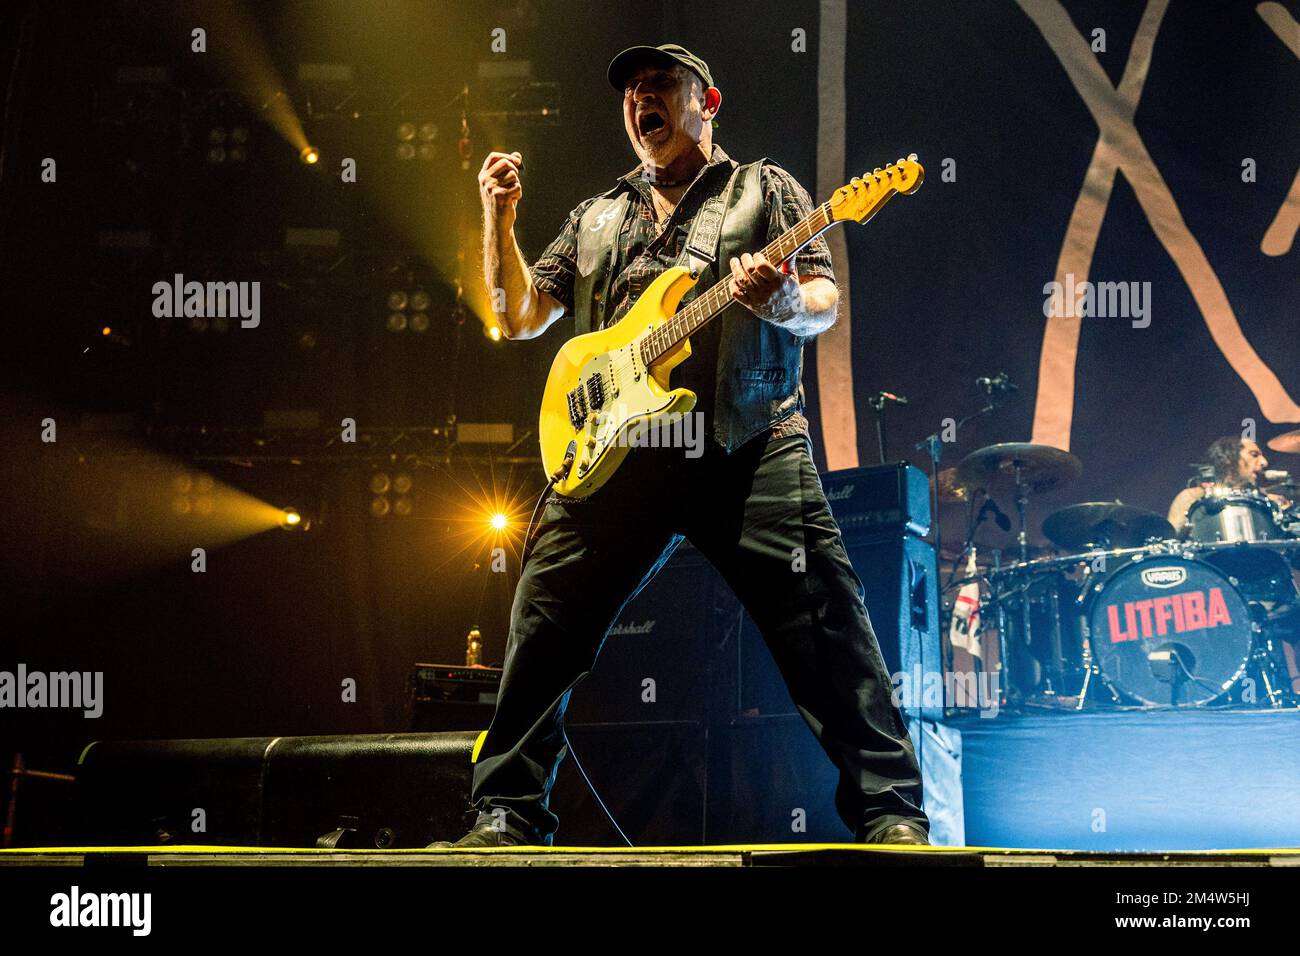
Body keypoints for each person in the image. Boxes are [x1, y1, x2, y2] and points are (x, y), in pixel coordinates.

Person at [432, 44, 929, 848]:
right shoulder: (598, 215)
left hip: (747, 440)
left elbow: (824, 302)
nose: (641, 99)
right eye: (631, 90)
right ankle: (506, 813)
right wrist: (498, 216)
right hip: (615, 452)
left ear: (708, 101)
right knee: (543, 624)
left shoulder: (764, 190)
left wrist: (780, 303)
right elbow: (516, 316)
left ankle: (889, 812)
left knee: (824, 620)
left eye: (659, 84)